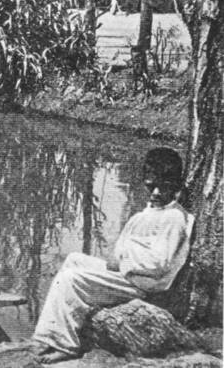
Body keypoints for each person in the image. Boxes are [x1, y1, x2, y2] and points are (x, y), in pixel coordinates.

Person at [32, 147, 195, 364]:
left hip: (143, 284)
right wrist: (119, 256)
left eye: (162, 188)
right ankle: (52, 331)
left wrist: (122, 259)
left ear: (174, 186)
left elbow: (160, 263)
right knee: (74, 259)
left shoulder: (174, 218)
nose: (155, 193)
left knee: (71, 279)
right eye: (151, 186)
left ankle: (65, 344)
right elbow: (125, 246)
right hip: (130, 274)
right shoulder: (150, 212)